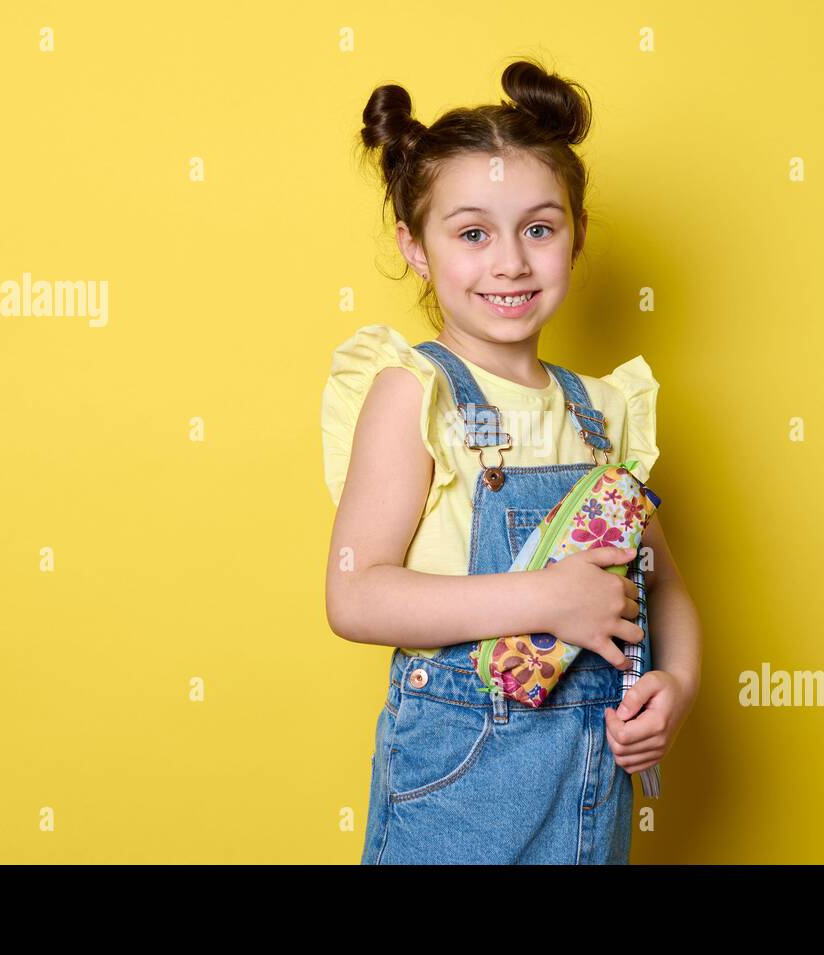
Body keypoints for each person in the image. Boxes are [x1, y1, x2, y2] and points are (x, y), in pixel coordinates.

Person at [321, 58, 701, 864]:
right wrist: (546, 599)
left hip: (589, 782)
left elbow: (662, 586)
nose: (510, 262)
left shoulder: (603, 413)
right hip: (458, 786)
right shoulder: (415, 392)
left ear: (576, 234)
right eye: (471, 234)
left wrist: (677, 685)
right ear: (415, 248)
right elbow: (356, 593)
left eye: (539, 227)